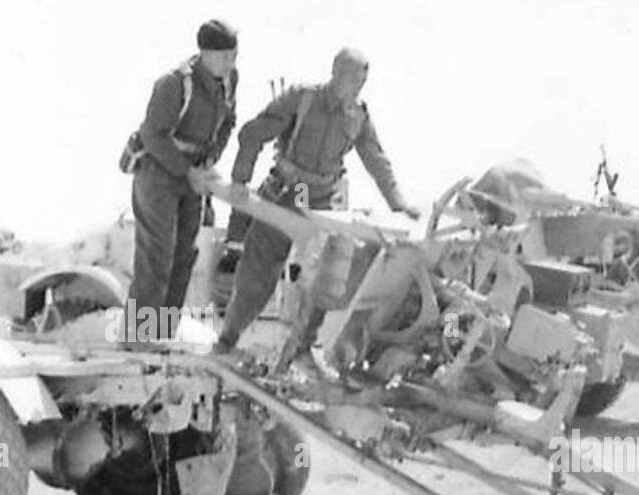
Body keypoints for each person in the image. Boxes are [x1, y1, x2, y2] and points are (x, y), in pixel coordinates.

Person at [213, 47, 421, 369]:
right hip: (292, 190)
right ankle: (227, 339)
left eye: (363, 81)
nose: (359, 87)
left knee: (331, 274)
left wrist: (399, 204)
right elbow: (253, 133)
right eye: (354, 79)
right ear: (336, 74)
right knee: (259, 269)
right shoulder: (302, 99)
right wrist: (241, 181)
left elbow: (375, 159)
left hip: (326, 198)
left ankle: (302, 347)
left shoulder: (358, 115)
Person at [126, 20, 238, 342]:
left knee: (184, 256)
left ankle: (163, 335)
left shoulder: (229, 81)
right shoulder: (174, 84)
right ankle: (138, 337)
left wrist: (209, 159)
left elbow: (229, 120)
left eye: (234, 56)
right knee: (157, 255)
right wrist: (187, 171)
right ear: (205, 53)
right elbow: (152, 135)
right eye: (224, 56)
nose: (230, 63)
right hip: (159, 171)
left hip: (194, 174)